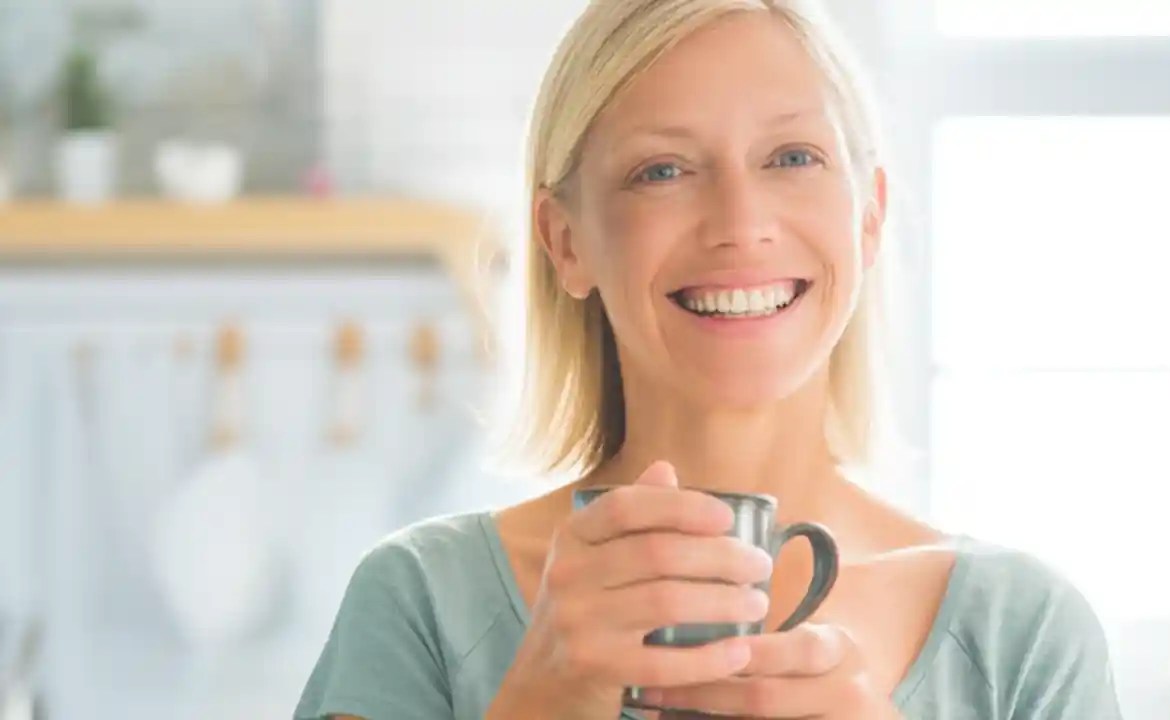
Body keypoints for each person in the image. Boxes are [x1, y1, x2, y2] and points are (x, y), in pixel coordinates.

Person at [295, 1, 1124, 718]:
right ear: (565, 241)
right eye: (662, 170)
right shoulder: (421, 602)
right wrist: (539, 702)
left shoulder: (1022, 633)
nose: (740, 222)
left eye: (791, 158)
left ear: (868, 217)